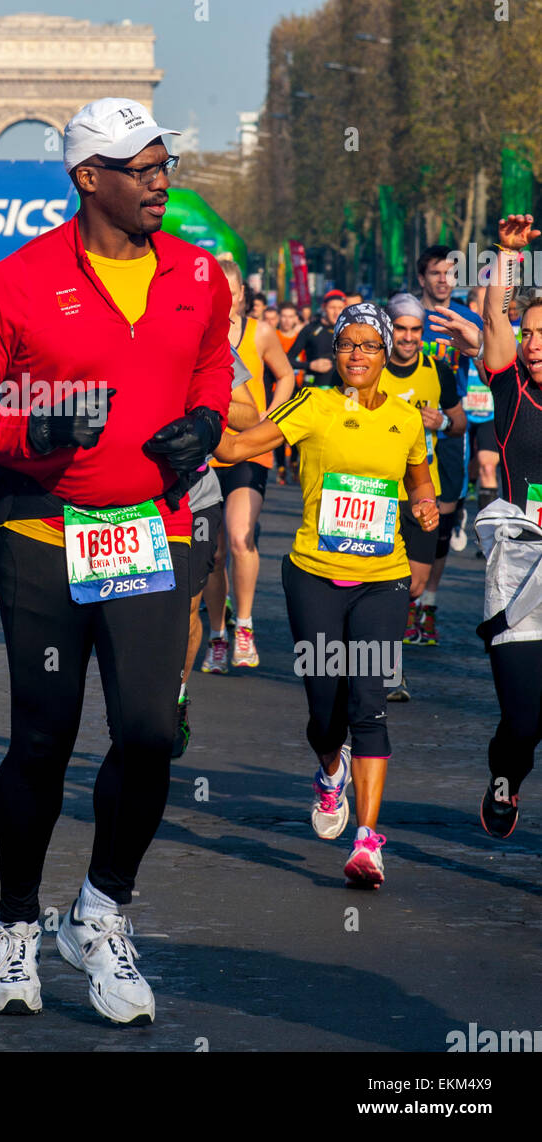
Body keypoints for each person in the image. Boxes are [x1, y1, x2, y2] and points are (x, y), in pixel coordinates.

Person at [0, 96, 233, 1023]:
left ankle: (100, 912)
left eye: (165, 164)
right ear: (86, 179)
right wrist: (32, 429)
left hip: (149, 531)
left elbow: (211, 364)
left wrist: (208, 424)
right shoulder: (17, 282)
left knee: (149, 732)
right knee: (42, 742)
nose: (161, 181)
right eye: (141, 168)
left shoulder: (199, 272)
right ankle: (17, 924)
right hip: (42, 533)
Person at [216, 303, 438, 886]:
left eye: (369, 344)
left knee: (369, 702)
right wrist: (193, 421)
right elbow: (239, 450)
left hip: (381, 579)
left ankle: (368, 839)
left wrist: (423, 504)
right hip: (313, 575)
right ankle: (328, 768)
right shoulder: (312, 404)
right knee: (324, 710)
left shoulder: (406, 417)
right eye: (348, 345)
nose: (358, 354)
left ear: (386, 353)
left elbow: (419, 475)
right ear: (336, 354)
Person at [439, 217, 542, 838]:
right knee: (524, 718)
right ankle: (506, 774)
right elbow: (495, 322)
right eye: (530, 333)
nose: (534, 342)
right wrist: (507, 255)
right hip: (520, 567)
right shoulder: (510, 393)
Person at [200, 256, 294, 672]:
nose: (222, 297)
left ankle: (245, 628)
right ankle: (217, 635)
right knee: (214, 554)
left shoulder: (260, 334)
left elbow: (287, 376)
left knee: (240, 538)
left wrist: (271, 418)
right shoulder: (200, 334)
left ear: (240, 295)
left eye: (229, 290)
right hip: (210, 453)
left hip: (251, 451)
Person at [174, 352, 259, 758]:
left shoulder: (206, 340)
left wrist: (194, 399)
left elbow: (248, 414)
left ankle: (176, 693)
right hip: (124, 499)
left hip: (194, 497)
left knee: (188, 607)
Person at [379, 294, 465, 695]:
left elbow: (461, 422)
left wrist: (443, 420)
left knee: (414, 583)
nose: (409, 337)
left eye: (415, 329)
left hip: (421, 492)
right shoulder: (371, 368)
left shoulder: (438, 370)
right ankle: (387, 666)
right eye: (401, 328)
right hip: (378, 490)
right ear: (389, 328)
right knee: (382, 581)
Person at [416, 245, 483, 639]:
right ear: (422, 278)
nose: (444, 280)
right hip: (406, 431)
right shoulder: (407, 318)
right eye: (435, 273)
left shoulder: (467, 318)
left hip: (449, 428)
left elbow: (494, 363)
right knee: (409, 516)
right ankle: (403, 599)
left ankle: (428, 605)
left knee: (440, 517)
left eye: (450, 273)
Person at [463, 287, 499, 545]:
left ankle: (488, 535)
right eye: (484, 299)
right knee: (466, 471)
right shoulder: (463, 328)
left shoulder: (506, 328)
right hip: (462, 410)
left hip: (490, 410)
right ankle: (458, 509)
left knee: (487, 465)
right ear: (473, 306)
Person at [287, 289, 347, 390]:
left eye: (340, 308)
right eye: (332, 307)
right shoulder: (310, 329)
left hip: (341, 390)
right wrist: (310, 365)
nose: (336, 312)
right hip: (314, 389)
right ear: (324, 308)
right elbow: (288, 360)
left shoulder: (348, 330)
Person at [274, 301, 303, 484]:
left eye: (290, 316)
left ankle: (293, 462)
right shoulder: (273, 336)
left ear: (296, 318)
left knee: (296, 433)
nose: (287, 320)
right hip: (277, 390)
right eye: (283, 316)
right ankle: (281, 467)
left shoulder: (301, 338)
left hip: (298, 390)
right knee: (277, 431)